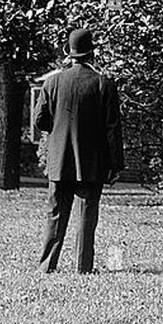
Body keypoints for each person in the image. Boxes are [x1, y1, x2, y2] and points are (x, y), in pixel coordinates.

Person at [34, 27, 124, 274]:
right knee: (86, 216)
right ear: (92, 54)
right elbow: (112, 129)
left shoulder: (52, 82)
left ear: (69, 54)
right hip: (92, 163)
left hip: (59, 160)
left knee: (55, 214)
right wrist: (116, 164)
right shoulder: (103, 84)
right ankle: (83, 267)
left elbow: (39, 121)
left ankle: (46, 266)